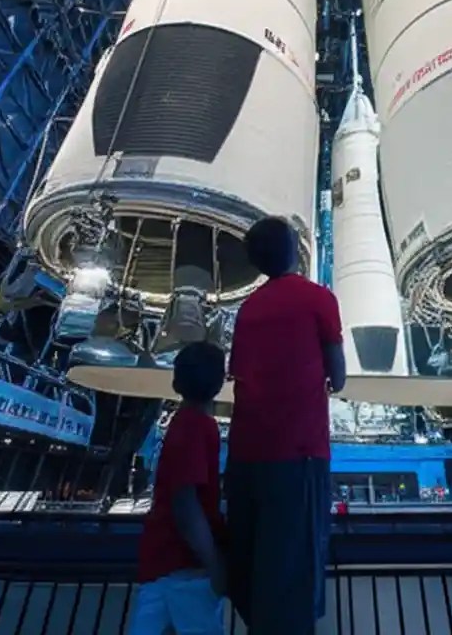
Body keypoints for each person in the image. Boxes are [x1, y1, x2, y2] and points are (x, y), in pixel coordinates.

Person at [226, 216, 346, 634]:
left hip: (245, 457)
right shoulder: (318, 298)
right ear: (295, 250)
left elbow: (239, 372)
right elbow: (339, 375)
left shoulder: (247, 309)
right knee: (296, 573)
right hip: (300, 455)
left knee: (254, 569)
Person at [129, 343, 228, 635]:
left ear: (175, 382)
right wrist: (215, 562)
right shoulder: (199, 427)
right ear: (220, 382)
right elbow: (186, 503)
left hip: (163, 563)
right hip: (186, 569)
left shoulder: (181, 425)